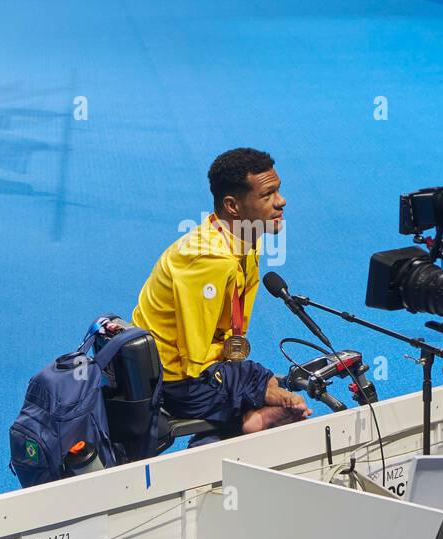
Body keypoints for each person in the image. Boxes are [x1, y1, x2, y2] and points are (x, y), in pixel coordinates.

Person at [132, 149, 311, 435]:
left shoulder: (245, 239)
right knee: (260, 382)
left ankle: (248, 415)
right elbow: (194, 363)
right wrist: (243, 385)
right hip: (173, 380)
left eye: (278, 191)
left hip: (198, 363)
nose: (281, 201)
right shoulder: (211, 261)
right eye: (268, 195)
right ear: (233, 206)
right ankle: (249, 419)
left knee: (260, 379)